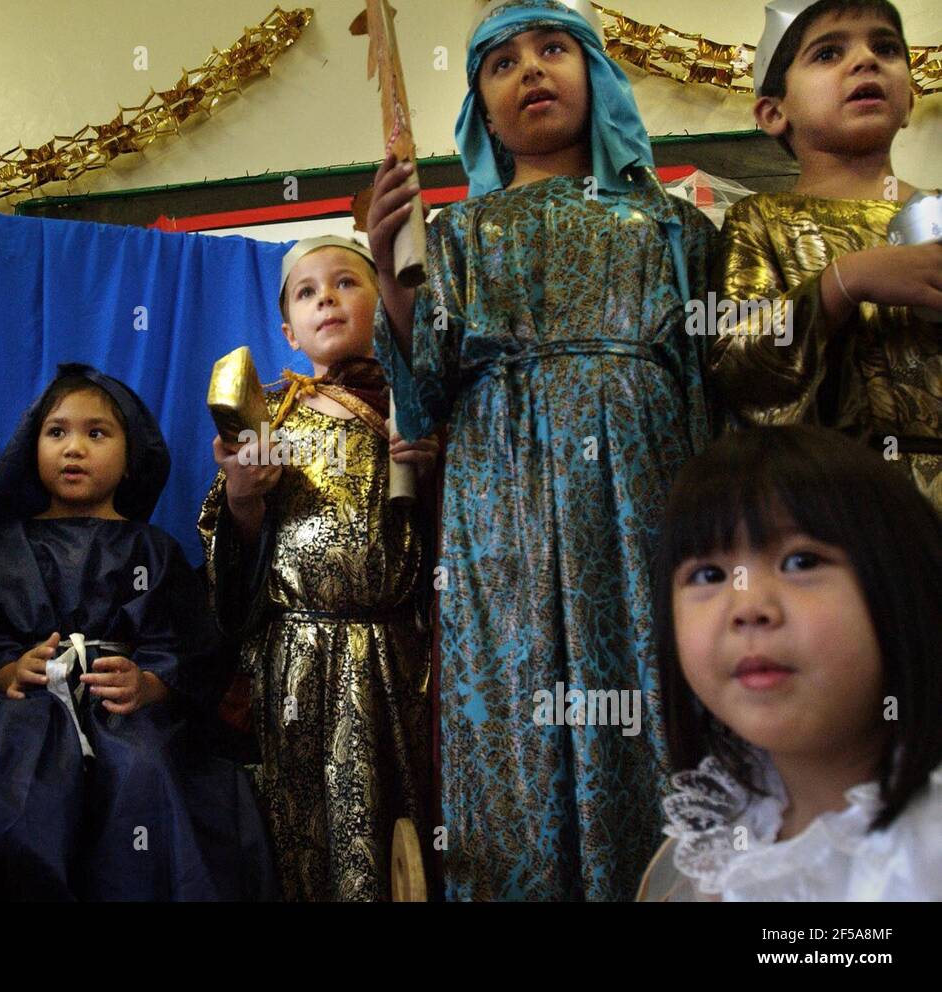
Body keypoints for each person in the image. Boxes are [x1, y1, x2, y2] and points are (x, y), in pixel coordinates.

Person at [366, 0, 718, 900]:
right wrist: (384, 262)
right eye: (501, 63)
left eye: (553, 49)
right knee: (515, 696)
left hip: (643, 490)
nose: (530, 71)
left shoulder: (672, 226)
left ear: (593, 74)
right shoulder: (455, 238)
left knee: (649, 685)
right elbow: (425, 384)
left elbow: (708, 379)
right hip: (504, 499)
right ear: (482, 111)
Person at [0, 364, 275, 901]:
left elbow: (189, 647)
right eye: (57, 432)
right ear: (33, 448)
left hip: (124, 717)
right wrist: (6, 669)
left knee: (143, 772)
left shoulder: (152, 550)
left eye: (96, 433)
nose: (73, 448)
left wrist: (148, 682)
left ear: (131, 458)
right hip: (23, 714)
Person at [199, 235, 437, 901]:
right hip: (294, 663)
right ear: (289, 330)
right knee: (302, 834)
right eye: (307, 292)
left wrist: (435, 463)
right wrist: (244, 496)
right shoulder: (270, 417)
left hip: (396, 656)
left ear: (385, 304)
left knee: (399, 831)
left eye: (346, 283)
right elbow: (232, 569)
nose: (325, 298)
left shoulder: (413, 406)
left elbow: (459, 540)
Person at [640, 425, 942, 901]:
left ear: (906, 585)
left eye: (801, 562)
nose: (747, 606)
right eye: (709, 574)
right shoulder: (721, 839)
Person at [711, 0, 942, 510]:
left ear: (909, 100)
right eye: (828, 53)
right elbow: (737, 368)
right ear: (774, 112)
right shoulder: (760, 219)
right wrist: (843, 281)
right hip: (832, 503)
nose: (865, 60)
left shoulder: (938, 214)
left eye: (885, 47)